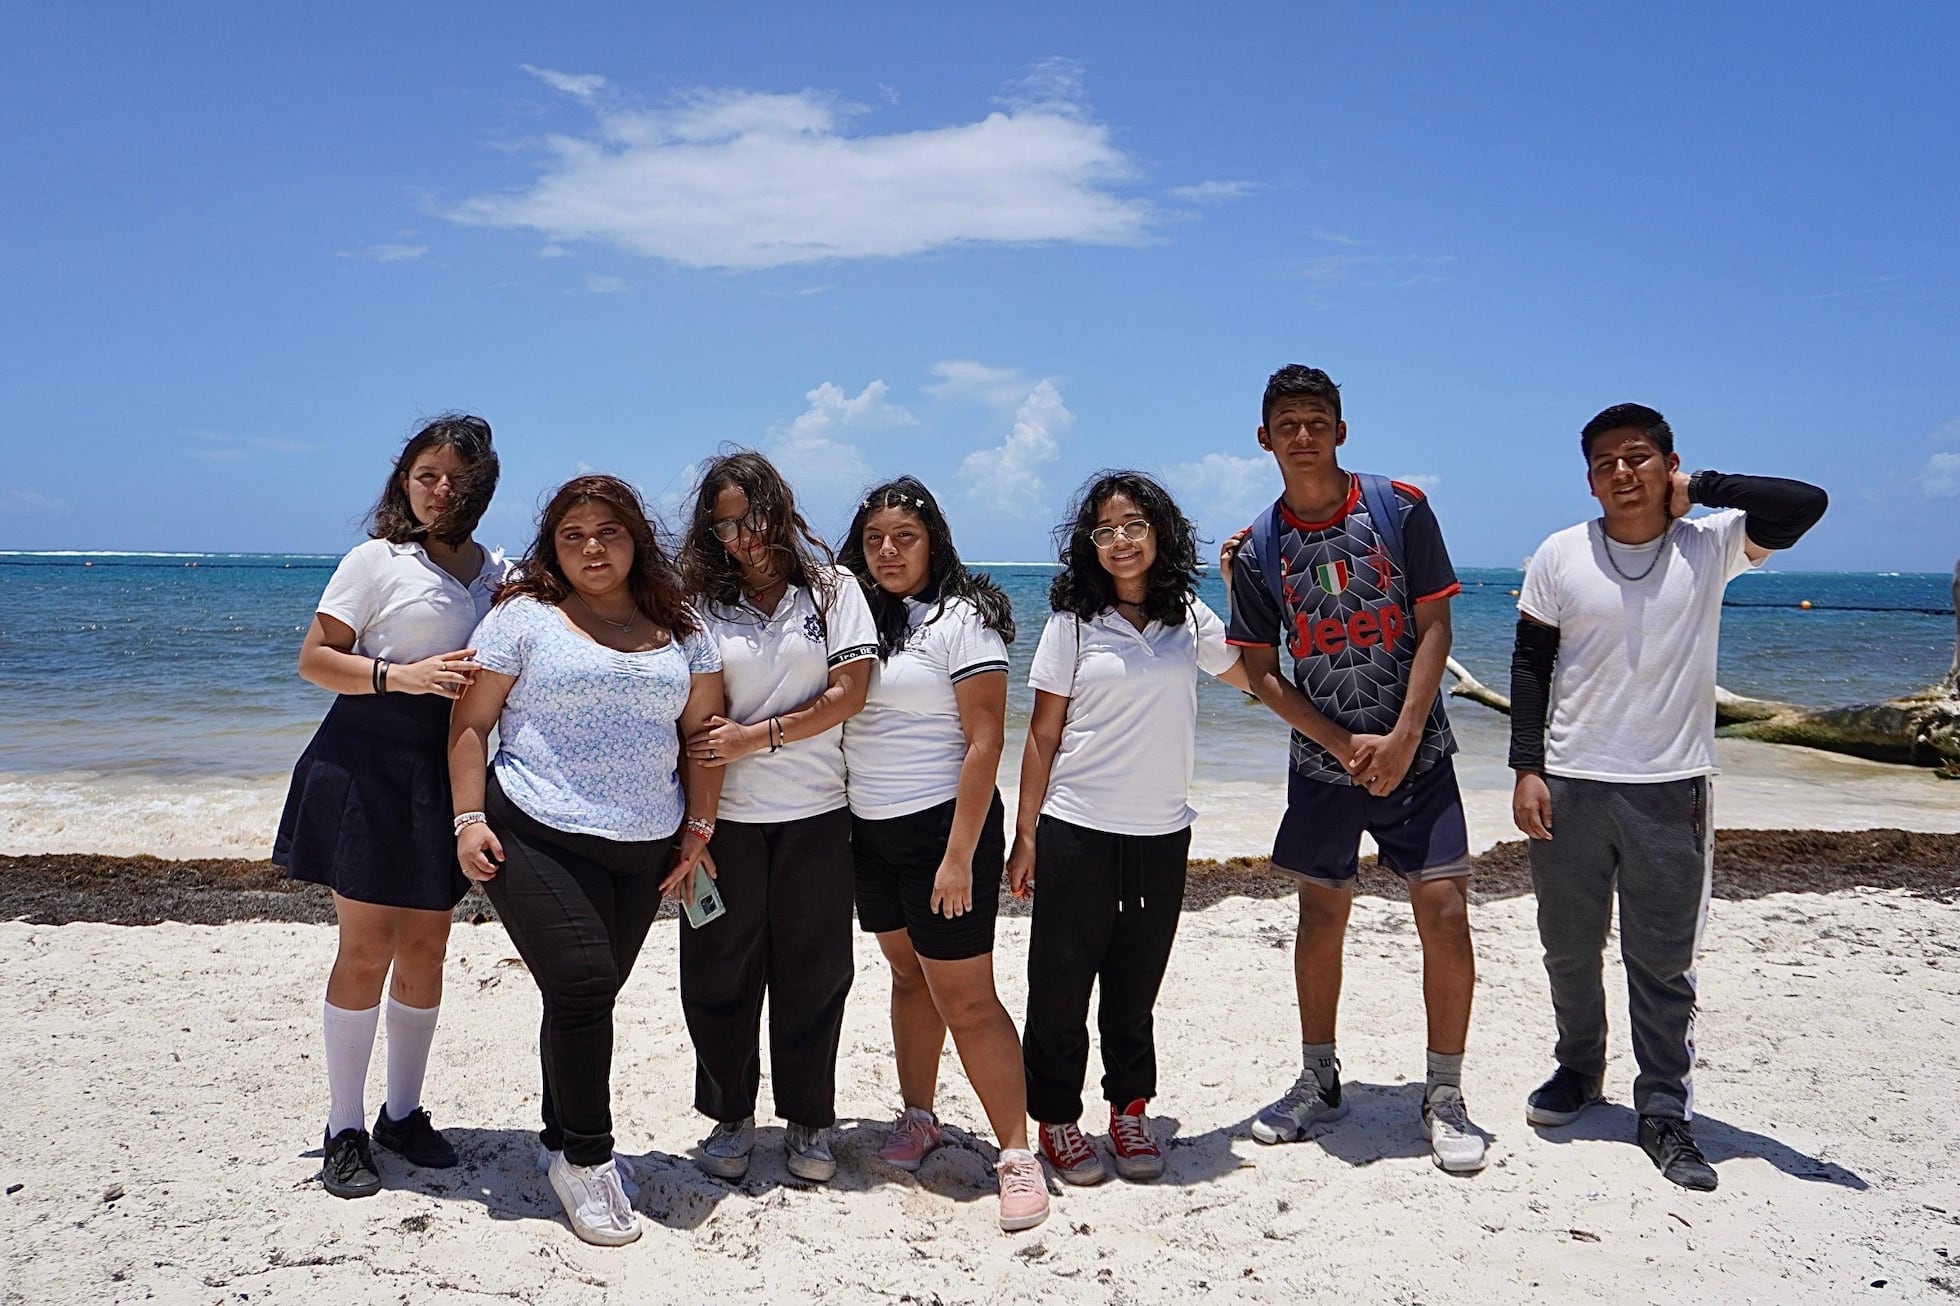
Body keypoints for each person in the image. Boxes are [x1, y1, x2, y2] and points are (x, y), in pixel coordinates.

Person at [1509, 403, 1826, 1191]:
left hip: (1670, 787)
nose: (1623, 472)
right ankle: (1579, 1070)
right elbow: (1529, 668)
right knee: (1568, 948)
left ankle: (1663, 1110)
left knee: (1661, 963)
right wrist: (1526, 769)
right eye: (1606, 462)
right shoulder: (1559, 553)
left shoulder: (1711, 545)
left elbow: (1804, 503)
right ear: (1588, 478)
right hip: (1573, 782)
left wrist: (1703, 489)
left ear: (1669, 464)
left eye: (1639, 457)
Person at [1222, 364, 1485, 1173]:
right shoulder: (1260, 545)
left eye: (1317, 420)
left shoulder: (1398, 507)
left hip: (1421, 752)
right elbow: (1260, 670)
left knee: (1443, 912)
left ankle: (1445, 1093)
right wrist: (1340, 745)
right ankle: (1317, 1077)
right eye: (1288, 423)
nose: (1304, 435)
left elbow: (1434, 623)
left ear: (1341, 429)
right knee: (1320, 916)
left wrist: (1404, 734)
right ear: (1265, 438)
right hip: (1322, 761)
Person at [447, 474, 723, 1245]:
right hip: (534, 827)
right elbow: (471, 724)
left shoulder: (684, 625)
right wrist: (468, 818)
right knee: (584, 984)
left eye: (607, 532)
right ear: (552, 547)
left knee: (580, 1002)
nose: (591, 548)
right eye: (573, 536)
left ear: (636, 538)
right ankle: (588, 1159)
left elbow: (703, 735)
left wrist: (698, 830)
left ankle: (554, 1138)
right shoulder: (524, 619)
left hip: (644, 845)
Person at [274, 414, 507, 1200]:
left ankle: (401, 1114)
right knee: (366, 949)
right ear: (404, 479)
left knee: (428, 952)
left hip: (446, 769)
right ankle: (343, 1127)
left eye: (457, 478)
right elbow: (313, 659)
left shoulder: (495, 569)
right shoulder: (378, 560)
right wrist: (397, 677)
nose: (441, 490)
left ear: (482, 486)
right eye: (426, 474)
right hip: (366, 760)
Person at [1008, 470, 1250, 1186]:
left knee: (1135, 985)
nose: (1120, 541)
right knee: (1058, 985)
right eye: (1106, 529)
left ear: (1160, 533)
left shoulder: (1189, 619)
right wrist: (1025, 837)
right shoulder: (1072, 624)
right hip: (1077, 825)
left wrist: (1239, 589)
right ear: (1089, 543)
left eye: (1134, 526)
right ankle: (1056, 1120)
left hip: (1162, 831)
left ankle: (1130, 1108)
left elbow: (1252, 679)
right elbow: (1042, 737)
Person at [837, 477, 1049, 1232]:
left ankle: (1017, 1152)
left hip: (943, 832)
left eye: (904, 538)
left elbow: (985, 740)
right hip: (872, 828)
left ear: (934, 542)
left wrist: (961, 856)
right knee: (905, 977)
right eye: (874, 541)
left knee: (967, 997)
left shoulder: (963, 621)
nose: (888, 552)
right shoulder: (857, 617)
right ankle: (919, 1116)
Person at [677, 451, 878, 1184]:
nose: (743, 537)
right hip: (724, 817)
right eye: (724, 524)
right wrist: (691, 826)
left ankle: (809, 1120)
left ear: (780, 511)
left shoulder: (831, 590)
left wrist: (754, 738)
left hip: (819, 813)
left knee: (815, 971)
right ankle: (730, 1115)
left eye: (753, 517)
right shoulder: (700, 603)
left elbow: (850, 692)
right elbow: (694, 718)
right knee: (715, 968)